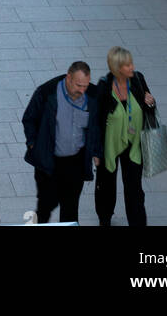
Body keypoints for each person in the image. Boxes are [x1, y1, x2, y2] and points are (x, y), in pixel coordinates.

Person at [23, 61, 101, 224]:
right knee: (45, 207)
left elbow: (97, 125)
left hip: (75, 163)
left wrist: (96, 151)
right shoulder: (47, 93)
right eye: (79, 85)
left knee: (71, 209)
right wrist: (33, 145)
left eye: (85, 86)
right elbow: (29, 118)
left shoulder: (93, 95)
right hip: (49, 162)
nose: (82, 90)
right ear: (68, 78)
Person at [94, 47, 156, 228]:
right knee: (106, 185)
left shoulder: (137, 80)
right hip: (110, 145)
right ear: (117, 67)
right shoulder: (104, 87)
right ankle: (104, 218)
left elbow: (149, 108)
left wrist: (150, 103)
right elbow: (95, 121)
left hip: (134, 144)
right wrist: (96, 151)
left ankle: (137, 222)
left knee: (134, 188)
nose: (132, 67)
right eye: (127, 65)